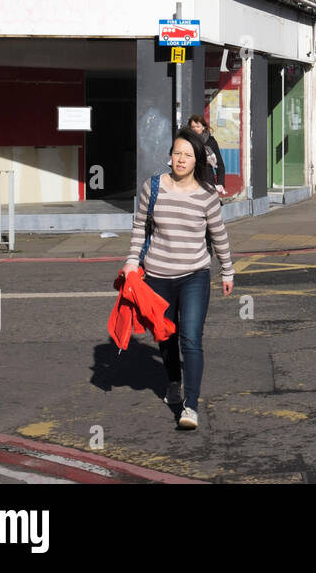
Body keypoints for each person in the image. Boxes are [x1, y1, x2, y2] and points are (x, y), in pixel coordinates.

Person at [118, 127, 234, 430]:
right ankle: (173, 380)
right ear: (170, 156)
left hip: (195, 274)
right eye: (177, 153)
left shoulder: (207, 195)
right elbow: (139, 227)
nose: (181, 159)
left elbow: (218, 235)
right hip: (157, 276)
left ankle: (191, 406)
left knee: (191, 339)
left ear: (197, 160)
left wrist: (227, 269)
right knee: (165, 336)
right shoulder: (153, 187)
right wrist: (132, 262)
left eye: (188, 154)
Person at [188, 114, 226, 196]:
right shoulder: (185, 141)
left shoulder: (211, 142)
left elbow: (219, 165)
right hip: (189, 180)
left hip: (207, 180)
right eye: (192, 127)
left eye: (197, 127)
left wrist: (220, 183)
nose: (194, 129)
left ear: (203, 127)